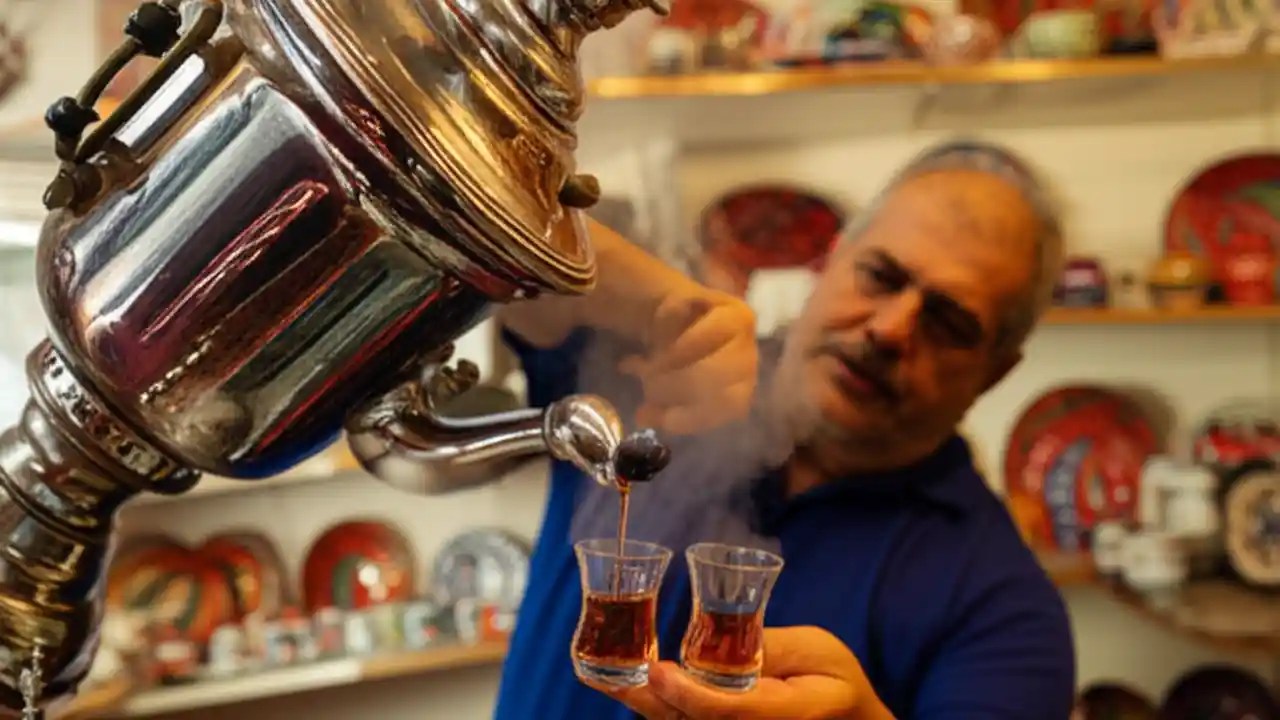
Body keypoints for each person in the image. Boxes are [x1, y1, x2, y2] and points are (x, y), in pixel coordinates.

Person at [492, 140, 1076, 720]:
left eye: (949, 321)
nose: (892, 329)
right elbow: (495, 252)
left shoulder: (1002, 611)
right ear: (832, 257)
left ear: (995, 371)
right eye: (881, 275)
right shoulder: (663, 366)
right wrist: (655, 301)